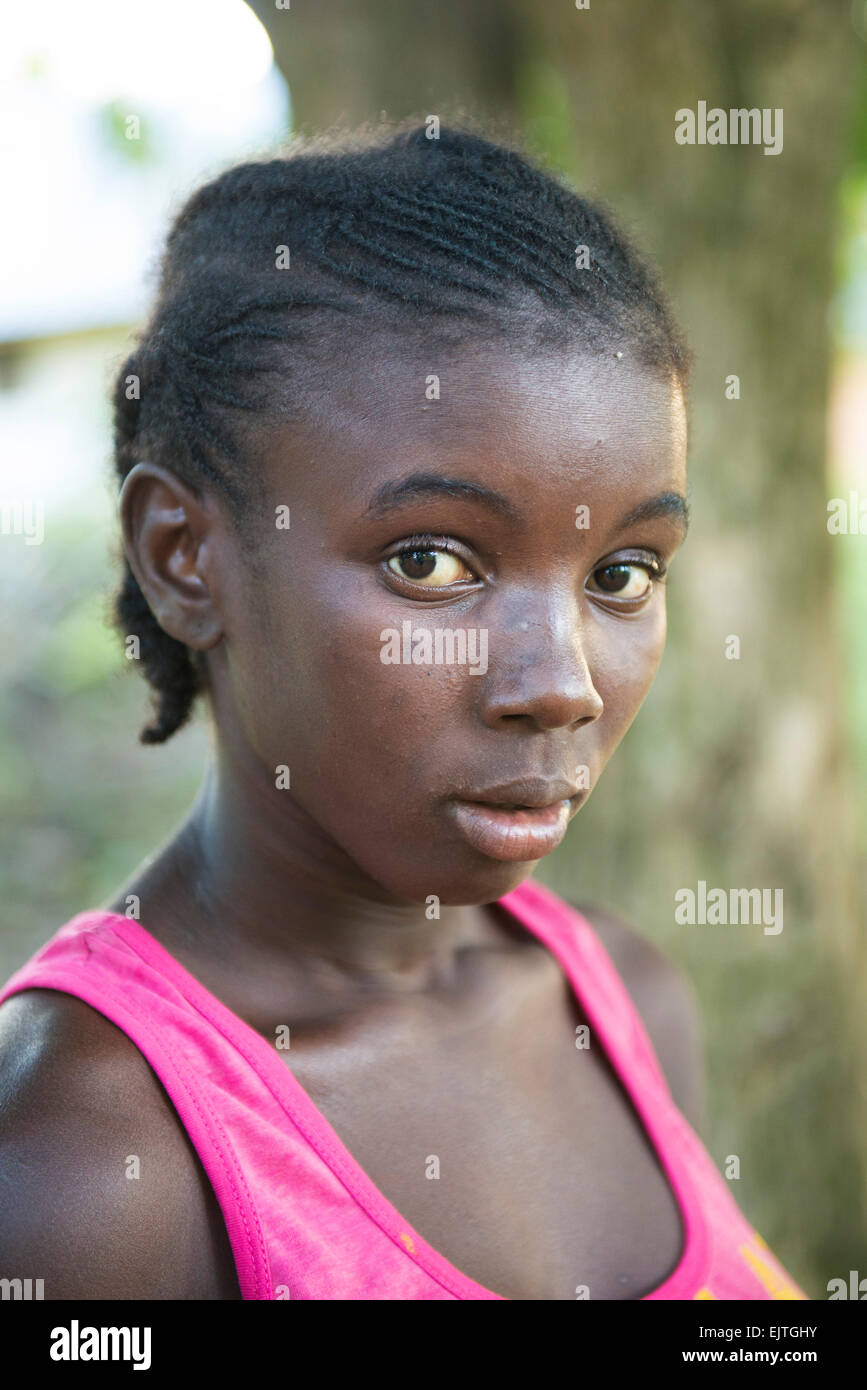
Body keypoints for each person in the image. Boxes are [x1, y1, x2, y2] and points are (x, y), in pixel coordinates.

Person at [0, 121, 807, 1300]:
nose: (560, 683)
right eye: (431, 563)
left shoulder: (624, 1002)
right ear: (186, 559)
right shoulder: (86, 1165)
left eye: (623, 575)